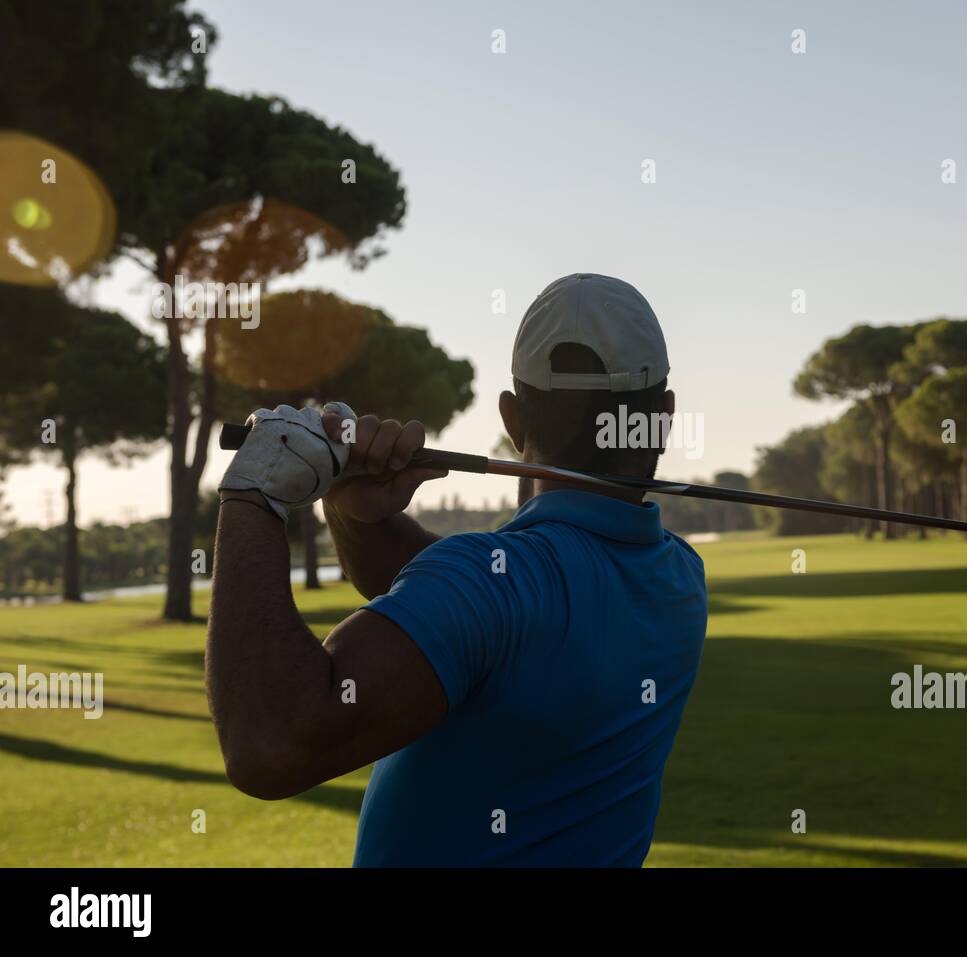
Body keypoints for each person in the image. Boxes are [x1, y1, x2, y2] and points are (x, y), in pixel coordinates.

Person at [206, 273, 708, 866]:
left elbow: (270, 743)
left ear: (513, 419)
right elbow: (457, 619)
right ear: (664, 416)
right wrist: (360, 518)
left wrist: (253, 495)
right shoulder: (679, 577)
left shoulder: (494, 588)